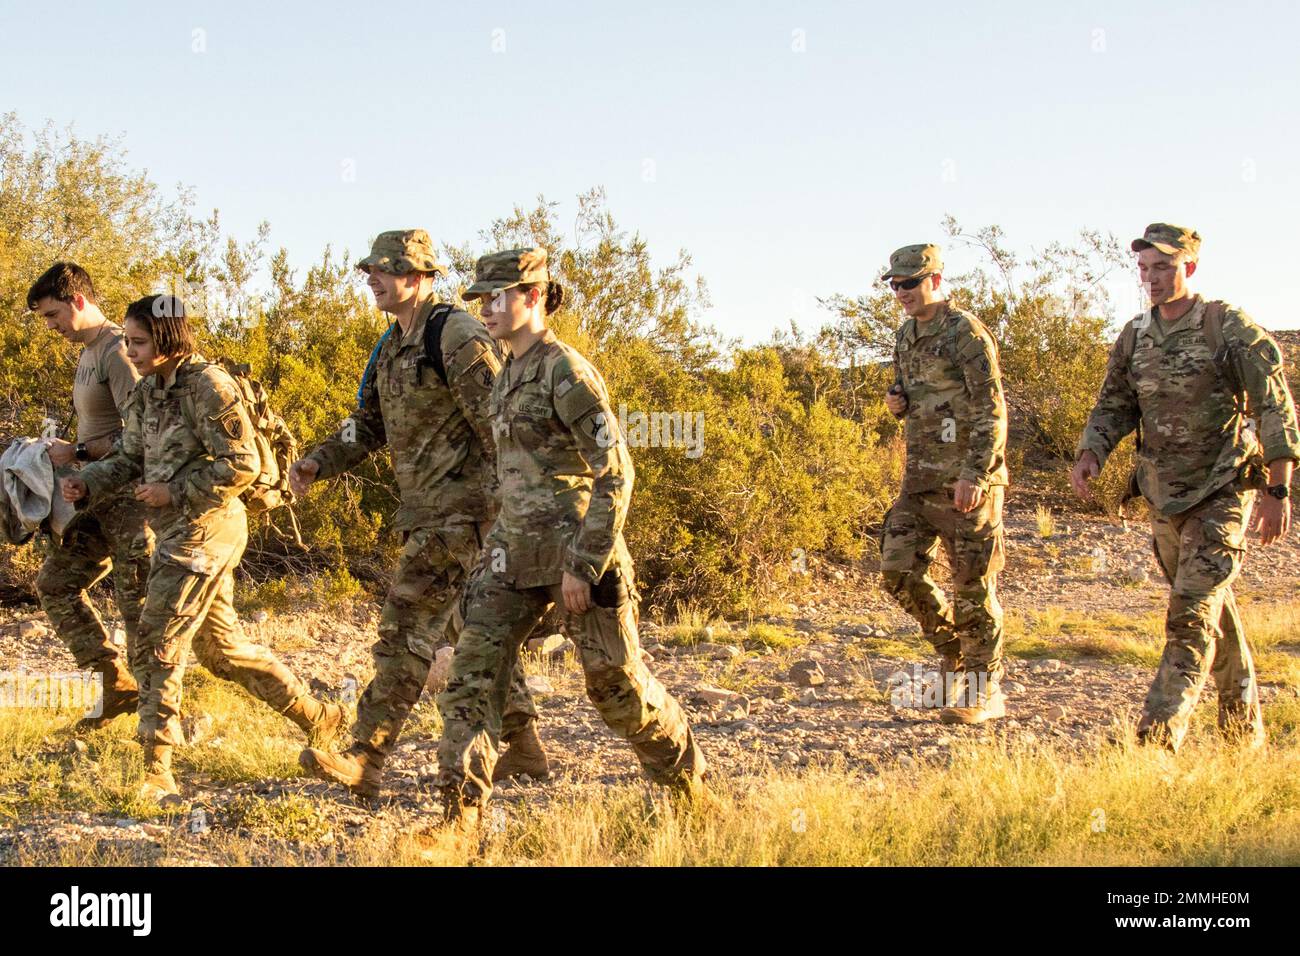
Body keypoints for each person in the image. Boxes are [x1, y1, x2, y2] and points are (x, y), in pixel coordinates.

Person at [435, 247, 706, 827]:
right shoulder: (505, 371)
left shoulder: (567, 370)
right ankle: (457, 822)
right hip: (513, 555)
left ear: (534, 296)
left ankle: (687, 787)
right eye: (482, 297)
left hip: (577, 550)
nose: (487, 306)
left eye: (499, 295)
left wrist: (584, 564)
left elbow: (616, 470)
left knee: (618, 691)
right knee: (471, 677)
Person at [62, 295, 343, 802]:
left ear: (168, 337)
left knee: (156, 634)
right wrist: (87, 481)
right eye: (128, 340)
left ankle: (158, 765)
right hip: (175, 531)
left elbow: (244, 464)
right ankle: (320, 716)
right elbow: (128, 456)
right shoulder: (149, 392)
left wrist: (175, 491)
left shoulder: (209, 386)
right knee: (221, 651)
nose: (132, 350)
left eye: (140, 341)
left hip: (210, 530)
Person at [292, 230, 541, 800]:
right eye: (371, 270)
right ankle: (524, 748)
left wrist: (515, 512)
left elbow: (499, 422)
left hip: (463, 516)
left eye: (388, 269)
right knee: (473, 631)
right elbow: (369, 423)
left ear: (422, 276)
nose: (374, 279)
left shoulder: (454, 333)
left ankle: (367, 755)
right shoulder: (391, 344)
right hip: (429, 513)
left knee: (404, 628)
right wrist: (318, 460)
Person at [1073, 223, 1298, 752]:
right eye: (1145, 268)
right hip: (1163, 496)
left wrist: (1277, 490)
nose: (1151, 278)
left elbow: (1274, 406)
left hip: (1221, 493)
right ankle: (1243, 738)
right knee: (1210, 610)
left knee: (1189, 617)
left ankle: (1157, 737)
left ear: (1189, 269)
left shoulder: (1227, 326)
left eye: (1163, 267)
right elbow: (1115, 404)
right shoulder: (1135, 334)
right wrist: (1090, 452)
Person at [879, 243, 1010, 724]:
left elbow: (991, 408)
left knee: (972, 588)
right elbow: (914, 398)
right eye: (895, 284)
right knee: (898, 571)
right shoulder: (905, 335)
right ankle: (958, 658)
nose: (901, 292)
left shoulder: (965, 333)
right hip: (919, 481)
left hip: (967, 483)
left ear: (935, 279)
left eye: (909, 283)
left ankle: (982, 689)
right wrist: (899, 405)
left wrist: (976, 473)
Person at [27, 262, 152, 729]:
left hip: (132, 505)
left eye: (54, 314)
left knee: (138, 611)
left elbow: (142, 437)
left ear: (78, 300)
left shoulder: (119, 351)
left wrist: (76, 450)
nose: (52, 326)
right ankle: (115, 685)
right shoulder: (88, 352)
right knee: (56, 585)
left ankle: (161, 724)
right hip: (96, 502)